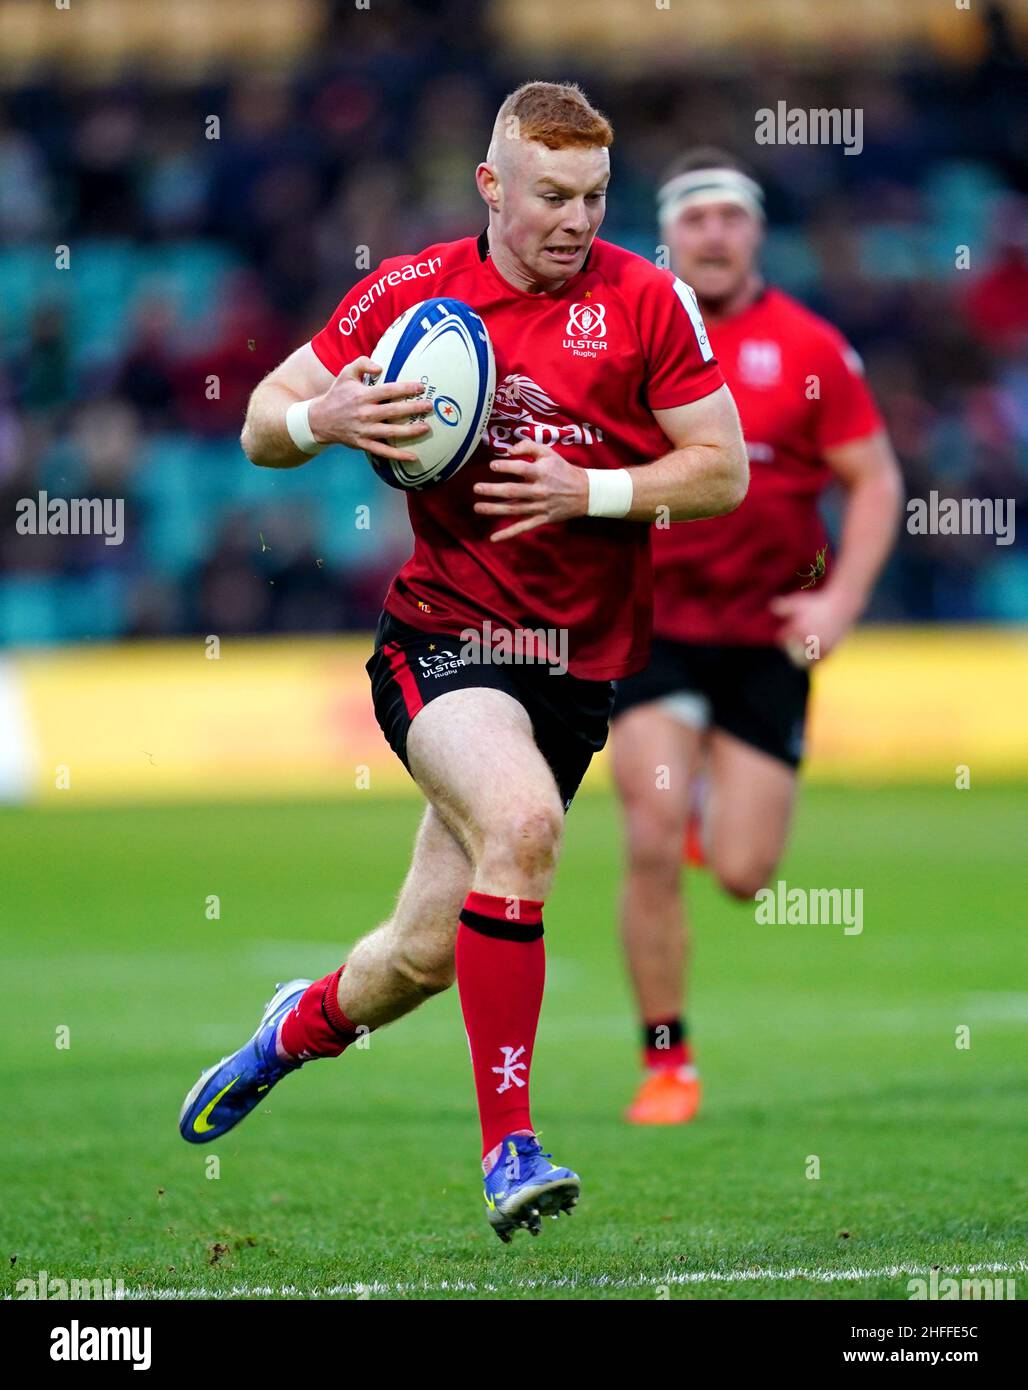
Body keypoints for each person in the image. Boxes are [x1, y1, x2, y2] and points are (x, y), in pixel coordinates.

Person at [178, 85, 747, 1241]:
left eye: (592, 196)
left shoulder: (647, 301)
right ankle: (509, 1151)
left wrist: (589, 490)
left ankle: (293, 1027)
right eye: (549, 195)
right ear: (491, 188)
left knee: (420, 956)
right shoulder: (409, 294)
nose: (575, 218)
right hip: (443, 640)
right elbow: (259, 421)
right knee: (525, 824)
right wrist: (323, 419)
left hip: (575, 672)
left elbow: (720, 469)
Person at [611, 150, 902, 1126]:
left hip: (768, 634)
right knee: (648, 840)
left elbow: (874, 480)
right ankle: (666, 1061)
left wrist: (837, 606)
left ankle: (706, 798)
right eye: (692, 217)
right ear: (667, 235)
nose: (712, 233)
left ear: (754, 232)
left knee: (740, 874)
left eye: (728, 217)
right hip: (651, 629)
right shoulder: (626, 338)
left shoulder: (809, 348)